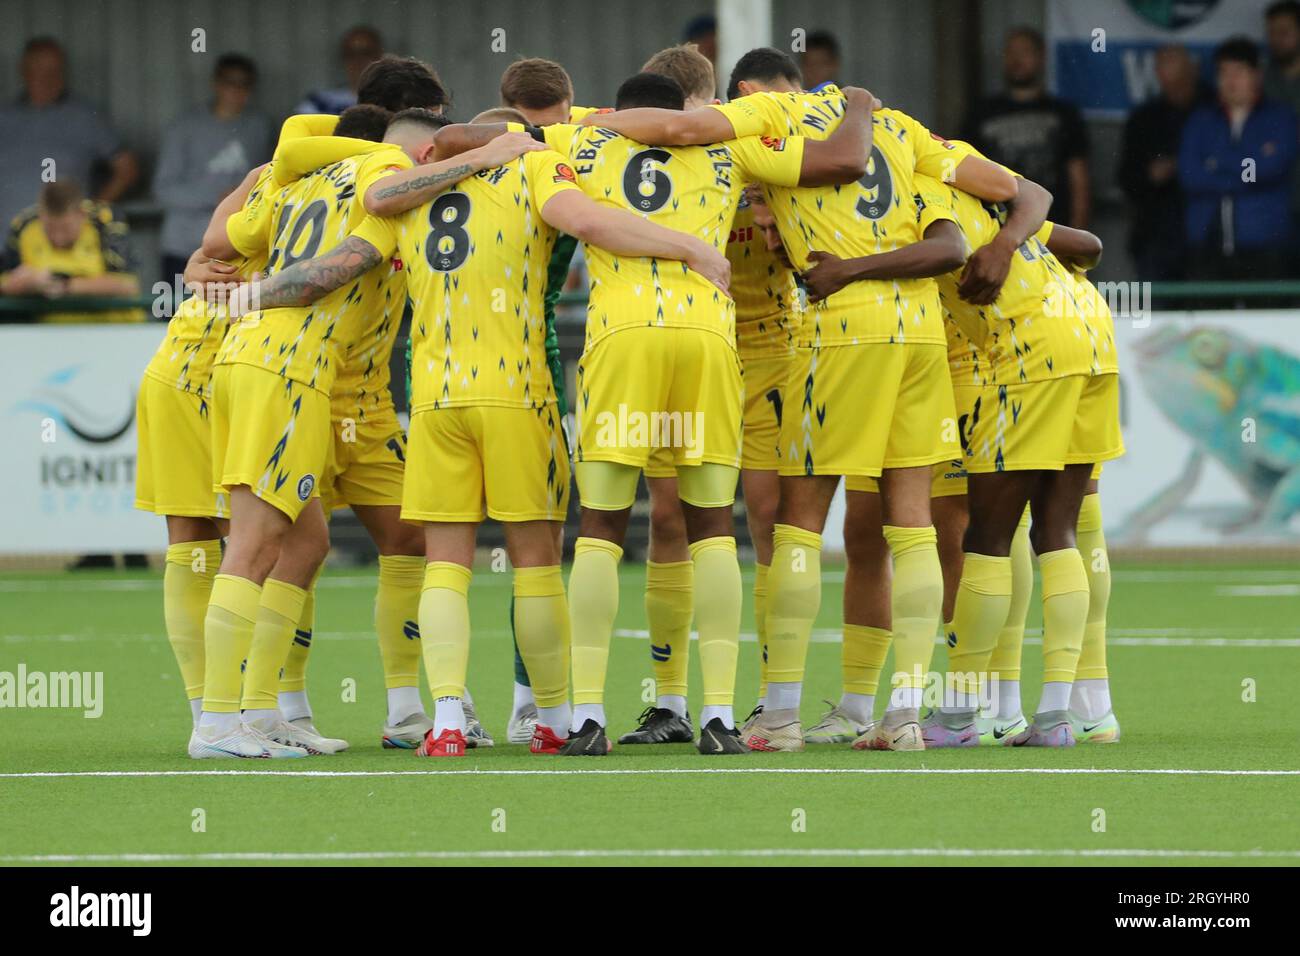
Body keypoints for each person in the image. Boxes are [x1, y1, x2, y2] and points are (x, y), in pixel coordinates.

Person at [237, 105, 735, 758]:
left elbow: (351, 241)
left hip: (439, 398)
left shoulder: (406, 193)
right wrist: (689, 245)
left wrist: (231, 296)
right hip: (518, 390)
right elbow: (586, 220)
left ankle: (444, 719)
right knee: (534, 562)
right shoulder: (533, 166)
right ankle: (556, 718)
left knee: (445, 564)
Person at [587, 48, 1019, 752]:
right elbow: (988, 198)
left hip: (837, 333)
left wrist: (593, 125)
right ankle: (905, 710)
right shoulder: (901, 128)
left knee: (798, 522)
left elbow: (690, 134)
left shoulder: (767, 118)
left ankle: (780, 712)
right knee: (910, 523)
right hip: (919, 335)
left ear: (747, 92)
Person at [1180, 36, 1297, 281]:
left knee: (1268, 317)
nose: (1230, 81)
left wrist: (1216, 163)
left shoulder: (1280, 117)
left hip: (1264, 242)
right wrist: (1244, 167)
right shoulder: (1201, 119)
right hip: (1207, 243)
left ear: (1256, 75)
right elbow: (1190, 175)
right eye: (1223, 73)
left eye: (1239, 72)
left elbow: (1269, 169)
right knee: (1208, 317)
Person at [154, 54, 273, 288]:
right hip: (185, 244)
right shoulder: (185, 127)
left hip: (238, 247)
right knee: (178, 318)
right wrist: (219, 197)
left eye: (245, 84)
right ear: (216, 84)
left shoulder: (260, 127)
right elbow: (163, 189)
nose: (237, 91)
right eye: (231, 82)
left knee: (234, 319)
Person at [0, 37, 139, 232]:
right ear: (23, 70)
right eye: (40, 70)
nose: (48, 79)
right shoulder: (4, 118)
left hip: (67, 248)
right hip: (7, 245)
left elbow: (127, 169)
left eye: (55, 71)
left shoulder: (85, 118)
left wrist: (92, 212)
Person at [964, 27, 1090, 228]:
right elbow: (964, 170)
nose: (1017, 60)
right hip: (994, 226)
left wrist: (1076, 233)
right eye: (1011, 52)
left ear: (1041, 57)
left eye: (1025, 52)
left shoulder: (1064, 114)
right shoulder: (981, 113)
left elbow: (1079, 179)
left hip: (1051, 227)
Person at [1118, 45, 1205, 281]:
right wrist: (1151, 175)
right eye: (1162, 64)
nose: (1168, 71)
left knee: (1210, 311)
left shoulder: (1214, 110)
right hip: (1155, 235)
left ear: (1193, 69)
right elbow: (1126, 178)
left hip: (1207, 236)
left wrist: (1186, 166)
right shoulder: (1144, 118)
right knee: (1156, 312)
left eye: (1174, 63)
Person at [0, 180, 140, 323]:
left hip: (113, 331)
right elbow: (5, 284)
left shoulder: (107, 221)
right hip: (49, 333)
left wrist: (64, 285)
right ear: (41, 216)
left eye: (65, 228)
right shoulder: (24, 225)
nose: (58, 238)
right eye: (50, 229)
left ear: (81, 215)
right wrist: (29, 284)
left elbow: (126, 286)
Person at [295, 25, 384, 115]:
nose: (358, 60)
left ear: (380, 57)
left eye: (366, 53)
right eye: (351, 54)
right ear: (343, 59)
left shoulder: (393, 103)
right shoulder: (318, 104)